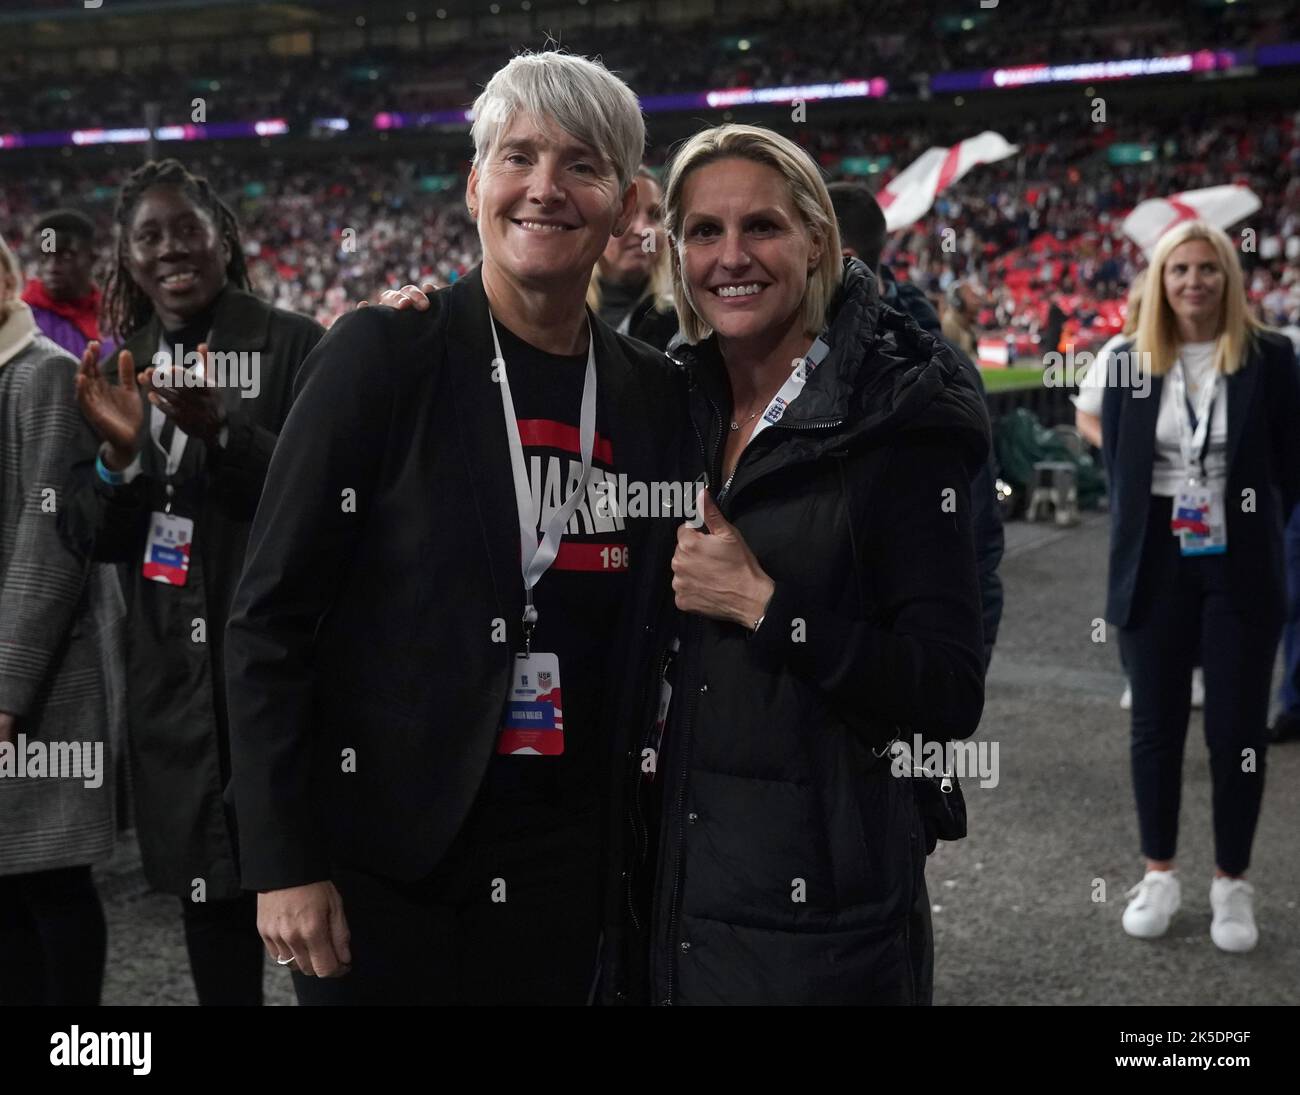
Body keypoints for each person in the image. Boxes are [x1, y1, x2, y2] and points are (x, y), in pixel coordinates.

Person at [223, 51, 684, 1006]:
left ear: (626, 200)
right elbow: (269, 617)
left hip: (568, 861)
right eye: (518, 157)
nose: (545, 188)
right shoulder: (386, 353)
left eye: (583, 164)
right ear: (476, 183)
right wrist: (282, 858)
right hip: (385, 865)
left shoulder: (653, 395)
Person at [617, 124, 988, 1004]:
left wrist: (764, 605)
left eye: (763, 227)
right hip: (673, 882)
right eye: (704, 231)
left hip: (824, 910)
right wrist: (427, 329)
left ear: (817, 237)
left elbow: (946, 689)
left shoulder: (899, 413)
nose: (731, 256)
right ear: (676, 250)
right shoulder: (675, 399)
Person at [57, 159, 324, 1005]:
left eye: (186, 229)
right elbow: (90, 539)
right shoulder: (118, 365)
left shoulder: (295, 344)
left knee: (322, 928)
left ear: (222, 238)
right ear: (128, 259)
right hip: (174, 693)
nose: (170, 248)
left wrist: (225, 434)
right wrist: (116, 459)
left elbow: (332, 503)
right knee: (212, 929)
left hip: (282, 688)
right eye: (148, 236)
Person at [1100, 220, 1300, 953]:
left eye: (1207, 268)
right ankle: (1159, 871)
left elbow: (1290, 460)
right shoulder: (1128, 359)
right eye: (1179, 269)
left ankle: (1231, 881)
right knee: (1154, 725)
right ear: (1160, 279)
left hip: (1238, 559)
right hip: (1155, 558)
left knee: (1237, 732)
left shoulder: (1271, 358)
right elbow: (1117, 466)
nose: (1193, 281)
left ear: (1228, 278)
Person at [0, 234, 116, 1005]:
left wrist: (5, 690)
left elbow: (49, 547)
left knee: (51, 883)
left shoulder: (42, 375)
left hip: (39, 685)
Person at [829, 180, 1004, 673]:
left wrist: (951, 677)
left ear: (841, 258)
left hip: (895, 674)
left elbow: (976, 544)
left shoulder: (933, 372)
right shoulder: (796, 352)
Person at [587, 166, 679, 350]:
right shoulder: (559, 314)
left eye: (654, 215)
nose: (642, 230)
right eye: (627, 212)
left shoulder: (679, 324)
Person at [21, 209, 115, 361]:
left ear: (93, 257)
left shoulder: (114, 315)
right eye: (45, 257)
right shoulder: (24, 320)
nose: (51, 268)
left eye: (65, 256)